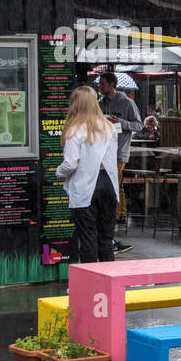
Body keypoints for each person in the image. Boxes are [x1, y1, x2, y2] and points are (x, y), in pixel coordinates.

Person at [57, 86, 119, 265]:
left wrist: (58, 172)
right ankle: (110, 283)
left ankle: (90, 286)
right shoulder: (108, 127)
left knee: (88, 238)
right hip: (108, 184)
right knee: (106, 239)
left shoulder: (74, 130)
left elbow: (70, 163)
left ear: (75, 105)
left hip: (85, 187)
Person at [96, 72, 141, 254]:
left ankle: (117, 216)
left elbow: (138, 125)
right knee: (113, 184)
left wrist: (119, 121)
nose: (100, 86)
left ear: (112, 85)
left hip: (119, 151)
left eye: (103, 83)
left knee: (115, 184)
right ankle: (118, 215)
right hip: (103, 151)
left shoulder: (127, 102)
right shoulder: (101, 104)